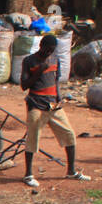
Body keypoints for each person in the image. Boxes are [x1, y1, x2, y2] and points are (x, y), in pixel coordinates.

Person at [19, 33, 85, 187]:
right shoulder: (29, 61)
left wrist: (59, 98)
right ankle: (28, 175)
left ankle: (71, 171)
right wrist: (39, 71)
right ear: (41, 46)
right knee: (33, 138)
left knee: (69, 134)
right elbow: (24, 85)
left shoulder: (55, 59)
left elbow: (56, 81)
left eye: (52, 50)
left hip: (53, 105)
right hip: (36, 104)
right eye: (47, 49)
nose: (49, 52)